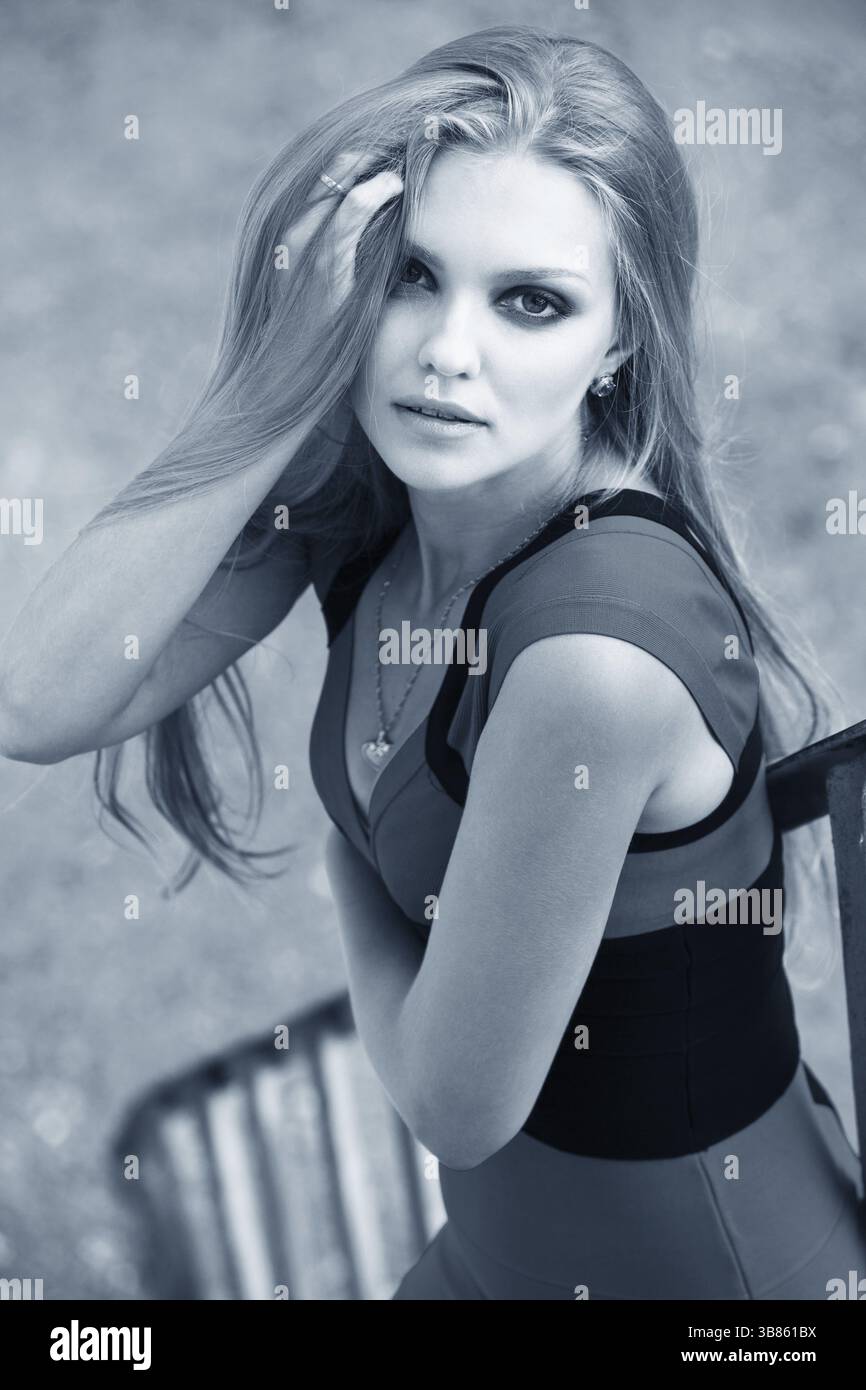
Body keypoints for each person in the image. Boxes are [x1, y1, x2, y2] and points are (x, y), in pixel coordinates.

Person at [1, 24, 862, 1299]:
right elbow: (37, 698)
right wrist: (272, 388)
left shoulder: (592, 658)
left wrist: (348, 859)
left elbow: (454, 1102)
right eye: (408, 275)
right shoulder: (375, 499)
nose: (448, 353)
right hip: (498, 1257)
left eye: (531, 301)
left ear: (618, 344)